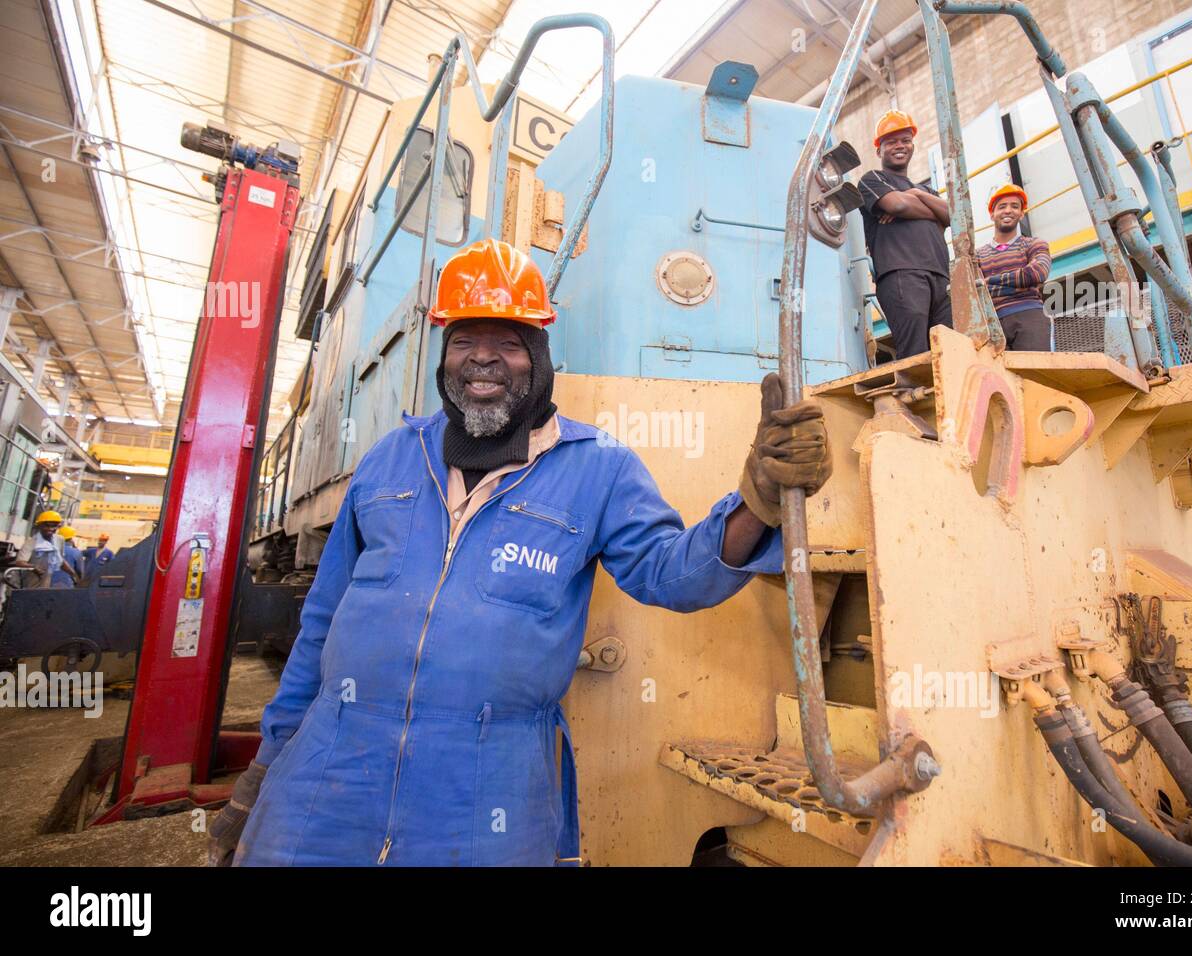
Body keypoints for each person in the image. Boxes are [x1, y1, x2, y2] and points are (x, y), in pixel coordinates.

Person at [208, 239, 833, 867]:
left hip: (488, 784)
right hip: (333, 769)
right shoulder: (390, 459)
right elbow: (321, 623)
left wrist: (757, 500)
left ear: (537, 356)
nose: (483, 359)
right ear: (443, 356)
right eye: (463, 341)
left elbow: (672, 575)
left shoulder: (599, 469)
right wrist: (268, 761)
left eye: (507, 342)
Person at [856, 109, 952, 360]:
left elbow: (952, 216)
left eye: (905, 140)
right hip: (902, 275)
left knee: (948, 353)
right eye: (891, 141)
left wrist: (917, 195)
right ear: (879, 150)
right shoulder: (872, 180)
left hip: (941, 278)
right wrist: (928, 210)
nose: (900, 146)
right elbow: (896, 206)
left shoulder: (926, 189)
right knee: (916, 354)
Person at [976, 183, 1052, 351]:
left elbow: (1038, 272)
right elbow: (974, 290)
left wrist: (989, 281)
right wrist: (1018, 282)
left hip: (1029, 316)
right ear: (992, 214)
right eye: (1002, 206)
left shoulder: (1033, 243)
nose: (1008, 210)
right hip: (991, 324)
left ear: (1022, 214)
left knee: (1034, 373)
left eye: (1015, 206)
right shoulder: (977, 255)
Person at [13, 511, 78, 589]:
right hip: (27, 582)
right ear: (39, 526)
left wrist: (73, 574)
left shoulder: (59, 540)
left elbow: (60, 561)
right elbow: (20, 562)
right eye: (47, 526)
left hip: (45, 581)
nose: (50, 529)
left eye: (54, 526)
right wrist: (34, 567)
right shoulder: (32, 542)